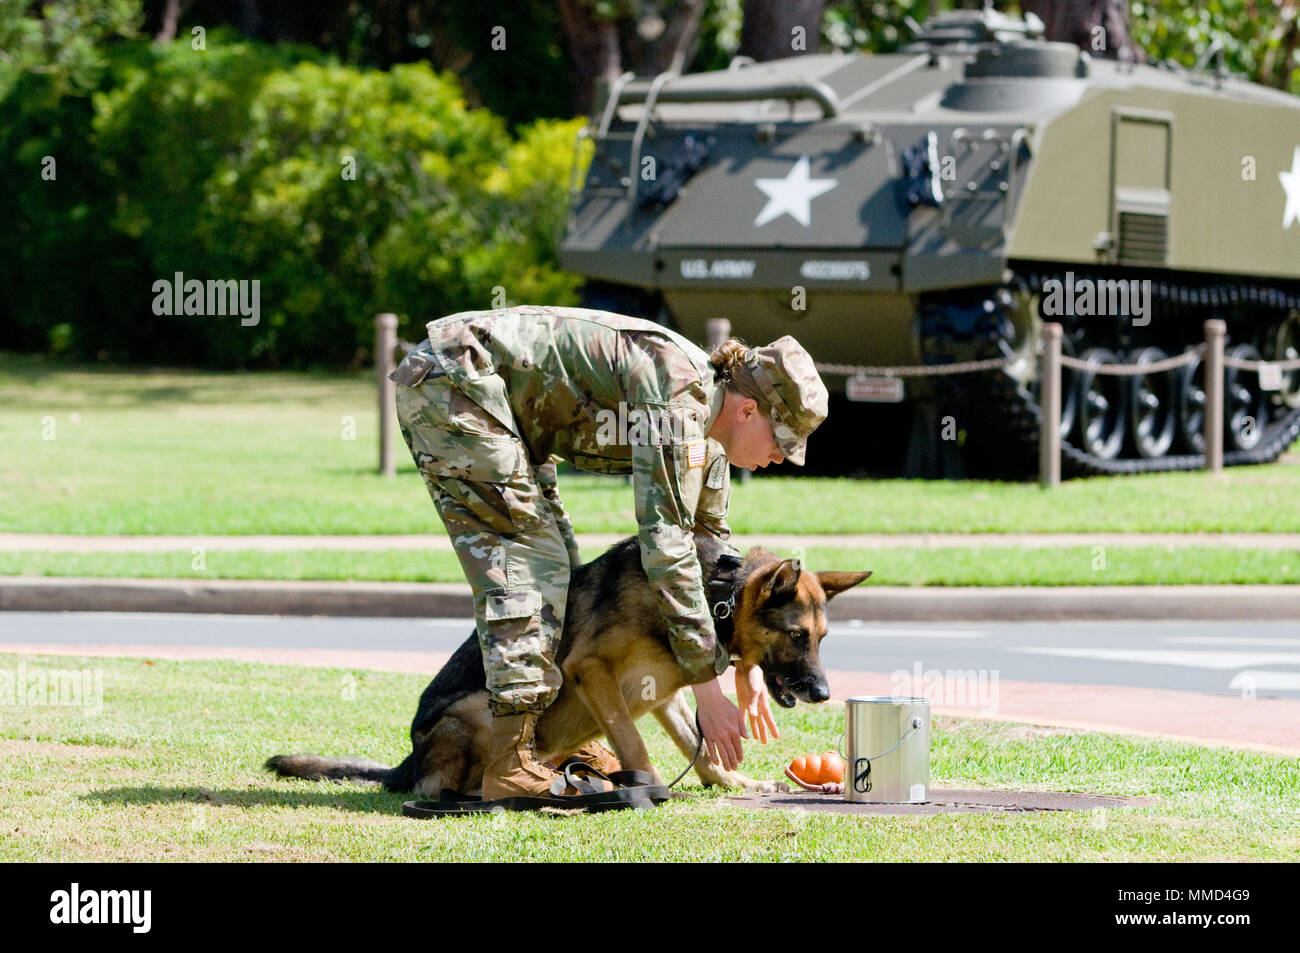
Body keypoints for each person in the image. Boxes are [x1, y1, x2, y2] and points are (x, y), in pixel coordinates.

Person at [391, 305, 828, 800]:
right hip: (457, 378)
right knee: (530, 569)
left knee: (566, 582)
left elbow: (709, 555)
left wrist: (745, 663)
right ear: (748, 410)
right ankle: (509, 762)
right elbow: (666, 544)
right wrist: (708, 687)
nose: (779, 459)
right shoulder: (680, 403)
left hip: (511, 415)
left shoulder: (709, 440)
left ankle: (554, 741)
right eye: (781, 441)